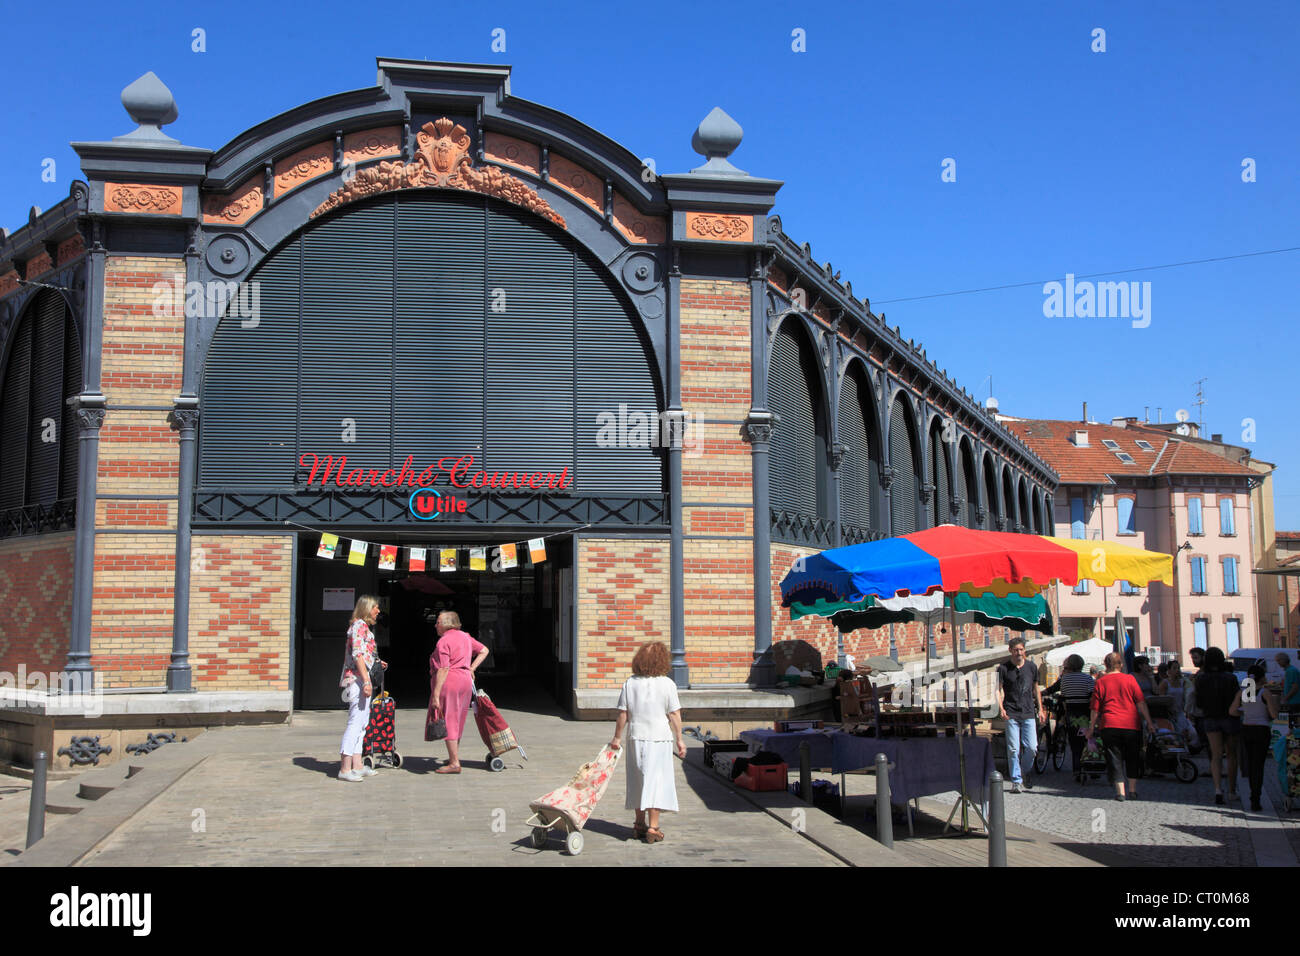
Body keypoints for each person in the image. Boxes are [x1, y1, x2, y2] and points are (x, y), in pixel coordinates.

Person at [609, 641, 686, 843]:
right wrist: (680, 740)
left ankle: (638, 823)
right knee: (656, 780)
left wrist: (617, 737)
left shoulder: (630, 683)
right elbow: (674, 714)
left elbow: (623, 714)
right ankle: (653, 827)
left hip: (636, 736)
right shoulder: (668, 684)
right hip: (659, 738)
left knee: (637, 779)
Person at [1087, 652, 1155, 801]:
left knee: (1114, 757)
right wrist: (1149, 722)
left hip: (1110, 724)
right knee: (1133, 757)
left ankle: (1120, 792)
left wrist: (1091, 727)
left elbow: (1095, 709)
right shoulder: (1130, 679)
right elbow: (1141, 703)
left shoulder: (1101, 682)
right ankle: (1132, 789)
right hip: (1131, 724)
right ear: (1121, 665)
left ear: (1106, 665)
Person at [428, 610, 489, 774]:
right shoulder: (465, 637)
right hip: (464, 680)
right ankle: (453, 756)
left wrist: (435, 694)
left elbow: (444, 668)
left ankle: (454, 763)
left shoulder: (443, 641)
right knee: (458, 718)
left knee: (448, 719)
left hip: (450, 681)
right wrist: (471, 668)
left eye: (438, 622)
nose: (436, 625)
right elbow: (484, 650)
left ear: (447, 623)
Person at [338, 595, 387, 782]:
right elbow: (357, 654)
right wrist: (366, 681)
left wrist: (375, 662)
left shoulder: (363, 627)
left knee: (362, 722)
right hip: (357, 680)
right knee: (355, 722)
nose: (378, 611)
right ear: (367, 608)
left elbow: (364, 654)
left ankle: (357, 765)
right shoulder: (359, 626)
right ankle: (345, 768)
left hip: (362, 678)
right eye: (375, 607)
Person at [996, 636, 1044, 793]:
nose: (1019, 653)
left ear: (1025, 650)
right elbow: (998, 689)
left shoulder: (1031, 667)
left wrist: (1041, 709)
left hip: (1029, 712)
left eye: (1021, 649)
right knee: (1013, 749)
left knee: (1032, 747)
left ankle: (1025, 770)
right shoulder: (1003, 668)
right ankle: (1016, 780)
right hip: (1011, 712)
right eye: (1016, 650)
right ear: (1010, 651)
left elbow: (1036, 688)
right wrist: (1001, 708)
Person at [1195, 646, 1242, 806]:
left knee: (1215, 756)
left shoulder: (1201, 678)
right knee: (1231, 755)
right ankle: (1232, 790)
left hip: (1210, 718)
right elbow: (1238, 699)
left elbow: (1199, 702)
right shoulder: (1231, 678)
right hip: (1230, 719)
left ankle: (1217, 790)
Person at [1229, 663, 1280, 812]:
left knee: (1251, 764)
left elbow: (1232, 711)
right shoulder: (1265, 693)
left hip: (1246, 729)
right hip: (1261, 730)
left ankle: (1252, 795)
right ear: (1262, 677)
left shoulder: (1242, 693)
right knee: (1259, 765)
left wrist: (1244, 713)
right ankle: (1256, 799)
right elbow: (1274, 714)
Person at [1046, 654, 1095, 775]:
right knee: (1087, 740)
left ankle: (1076, 768)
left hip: (1071, 713)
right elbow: (1093, 696)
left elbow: (1055, 690)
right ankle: (1090, 765)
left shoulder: (1064, 679)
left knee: (1074, 742)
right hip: (1085, 713)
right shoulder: (1088, 679)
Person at [1277, 652, 1300, 718]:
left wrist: (1285, 698)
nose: (1278, 663)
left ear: (1284, 660)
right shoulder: (1288, 670)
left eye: (1279, 660)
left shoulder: (1291, 671)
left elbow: (1295, 687)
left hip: (1294, 702)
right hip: (1292, 701)